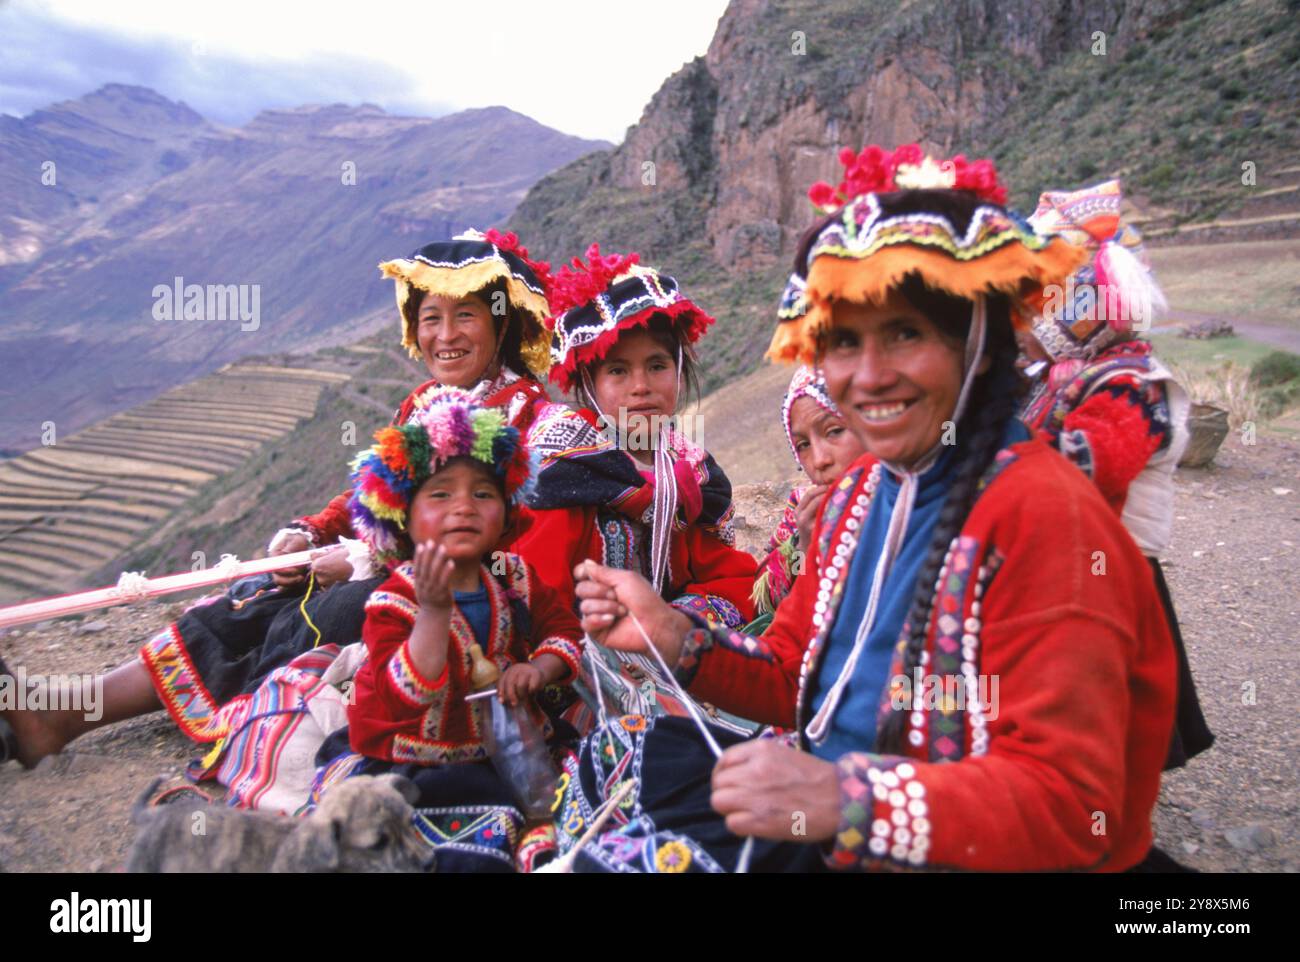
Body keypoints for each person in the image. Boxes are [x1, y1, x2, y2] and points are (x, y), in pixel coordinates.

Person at [543, 144, 1176, 873]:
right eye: (843, 342)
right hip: (844, 814)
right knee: (630, 766)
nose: (869, 378)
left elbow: (1072, 805)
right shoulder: (860, 498)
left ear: (977, 336)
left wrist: (845, 798)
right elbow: (796, 675)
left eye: (905, 333)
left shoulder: (1048, 517)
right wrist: (672, 633)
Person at [0, 230, 555, 767]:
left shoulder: (523, 414)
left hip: (447, 600)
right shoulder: (425, 402)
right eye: (431, 318)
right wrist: (311, 532)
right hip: (390, 574)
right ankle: (63, 713)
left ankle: (83, 717)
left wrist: (367, 561)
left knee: (309, 617)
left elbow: (500, 535)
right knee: (256, 595)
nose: (445, 335)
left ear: (499, 325)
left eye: (466, 316)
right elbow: (377, 497)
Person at [311, 388, 583, 871]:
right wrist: (434, 614)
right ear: (405, 520)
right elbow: (405, 696)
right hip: (422, 760)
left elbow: (564, 632)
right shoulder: (393, 601)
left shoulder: (516, 577)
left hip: (517, 743)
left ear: (506, 512)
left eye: (483, 493)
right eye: (440, 495)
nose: (464, 507)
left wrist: (538, 670)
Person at [509, 245, 758, 733]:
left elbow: (731, 578)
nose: (641, 386)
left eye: (657, 366)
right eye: (619, 371)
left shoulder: (687, 472)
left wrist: (676, 618)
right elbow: (534, 596)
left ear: (680, 370)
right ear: (588, 380)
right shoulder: (566, 468)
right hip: (571, 670)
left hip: (661, 649)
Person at [1018, 178, 1212, 770]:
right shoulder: (1062, 376)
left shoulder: (1131, 384)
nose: (1022, 320)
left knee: (1102, 685)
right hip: (1069, 560)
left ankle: (1103, 799)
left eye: (1033, 303)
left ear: (1080, 303)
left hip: (1109, 568)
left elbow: (1091, 464)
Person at [749, 365, 866, 629]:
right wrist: (805, 547)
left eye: (834, 430)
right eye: (803, 445)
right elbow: (766, 604)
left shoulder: (914, 497)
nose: (819, 460)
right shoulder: (804, 511)